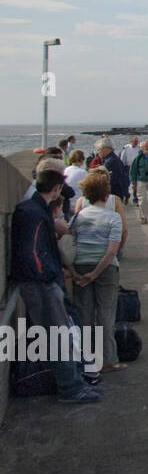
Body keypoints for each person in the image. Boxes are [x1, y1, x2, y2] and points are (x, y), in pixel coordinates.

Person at [8, 168, 100, 403]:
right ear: (56, 189)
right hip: (40, 284)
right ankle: (70, 389)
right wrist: (49, 274)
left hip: (36, 280)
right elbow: (33, 252)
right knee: (58, 337)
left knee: (57, 336)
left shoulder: (30, 209)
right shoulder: (35, 214)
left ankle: (73, 383)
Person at [68, 171, 126, 373]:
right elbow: (112, 251)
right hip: (106, 269)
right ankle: (108, 359)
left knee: (84, 314)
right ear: (106, 195)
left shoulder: (78, 217)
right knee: (105, 314)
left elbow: (69, 244)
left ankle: (85, 358)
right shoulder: (114, 218)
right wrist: (96, 272)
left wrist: (74, 272)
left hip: (81, 266)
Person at [93, 138, 130, 204]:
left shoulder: (111, 161)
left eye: (99, 150)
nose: (97, 152)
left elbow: (111, 181)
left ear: (106, 149)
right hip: (117, 193)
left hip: (115, 194)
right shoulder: (111, 159)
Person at [120, 135, 141, 203]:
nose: (136, 142)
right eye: (135, 141)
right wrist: (122, 168)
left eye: (137, 141)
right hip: (127, 167)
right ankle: (126, 196)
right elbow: (122, 159)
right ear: (131, 141)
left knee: (136, 184)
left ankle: (136, 199)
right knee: (126, 183)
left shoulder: (139, 148)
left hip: (136, 168)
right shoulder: (126, 148)